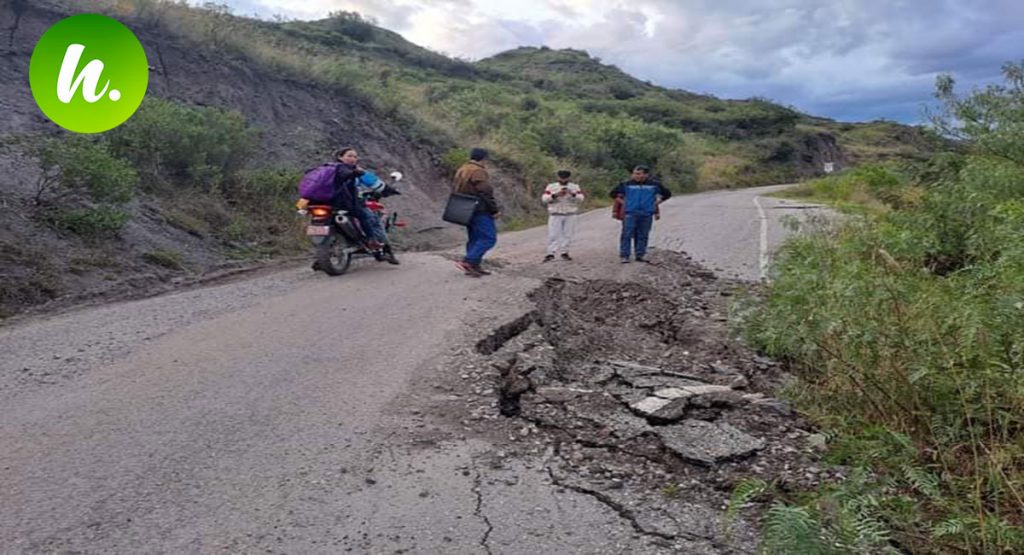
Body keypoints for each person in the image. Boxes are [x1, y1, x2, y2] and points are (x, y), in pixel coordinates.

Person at [334, 148, 398, 264]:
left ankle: (320, 256)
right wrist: (389, 190)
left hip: (327, 203)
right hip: (348, 203)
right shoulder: (355, 171)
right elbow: (374, 183)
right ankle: (383, 248)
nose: (353, 159)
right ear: (340, 157)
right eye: (350, 156)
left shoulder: (327, 169)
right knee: (373, 220)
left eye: (355, 156)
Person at [610, 165, 671, 263]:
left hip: (646, 213)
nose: (635, 176)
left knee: (643, 234)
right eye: (634, 173)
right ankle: (624, 255)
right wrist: (624, 203)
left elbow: (667, 194)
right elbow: (613, 194)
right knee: (627, 234)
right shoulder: (626, 184)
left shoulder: (654, 185)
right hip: (630, 213)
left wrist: (656, 203)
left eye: (638, 174)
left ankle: (640, 254)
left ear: (646, 174)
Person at [452, 148, 499, 277]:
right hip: (479, 209)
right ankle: (468, 261)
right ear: (484, 158)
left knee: (474, 238)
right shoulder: (477, 171)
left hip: (465, 208)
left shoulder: (462, 169)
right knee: (489, 238)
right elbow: (485, 191)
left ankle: (474, 266)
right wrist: (494, 209)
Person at [541, 170, 585, 262]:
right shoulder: (551, 186)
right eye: (561, 177)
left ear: (569, 177)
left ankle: (564, 252)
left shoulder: (574, 187)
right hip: (555, 213)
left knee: (568, 234)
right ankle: (551, 253)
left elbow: (581, 198)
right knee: (553, 234)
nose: (563, 179)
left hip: (570, 213)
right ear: (558, 177)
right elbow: (544, 199)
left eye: (565, 177)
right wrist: (555, 195)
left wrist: (572, 194)